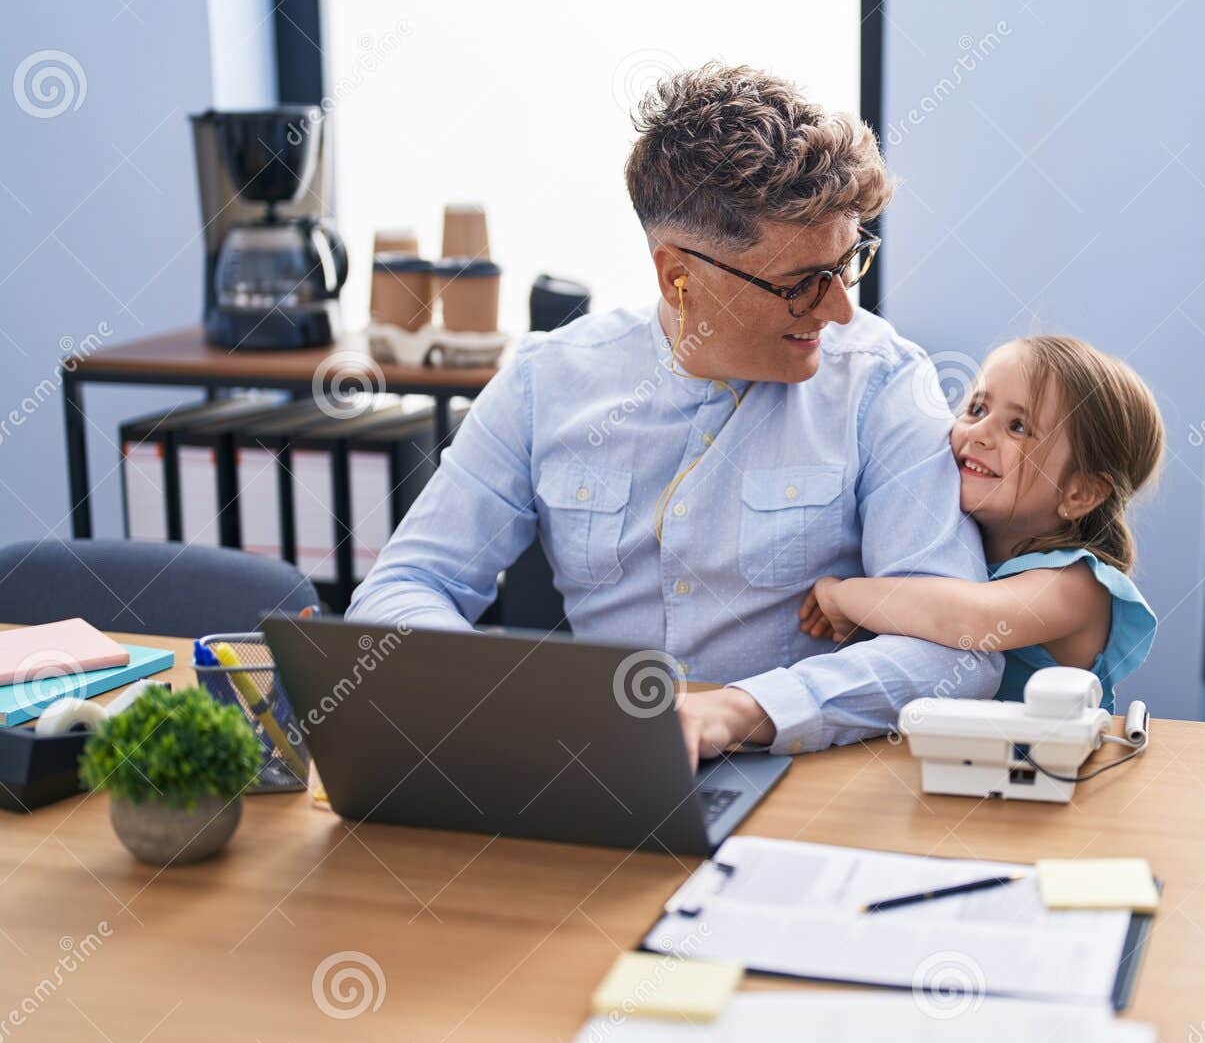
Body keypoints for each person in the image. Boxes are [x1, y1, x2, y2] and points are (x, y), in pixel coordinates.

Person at [347, 64, 1002, 761]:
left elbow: (962, 655)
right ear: (677, 276)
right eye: (802, 285)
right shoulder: (547, 382)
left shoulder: (885, 383)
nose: (841, 309)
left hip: (800, 769)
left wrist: (745, 710)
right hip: (594, 767)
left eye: (847, 264)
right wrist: (499, 701)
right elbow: (406, 587)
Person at [799, 335, 1163, 713]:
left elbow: (971, 620)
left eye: (1018, 427)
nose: (979, 433)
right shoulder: (961, 545)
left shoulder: (1078, 585)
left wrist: (843, 597)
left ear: (1080, 493)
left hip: (1043, 768)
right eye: (976, 408)